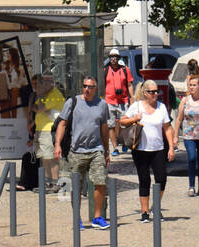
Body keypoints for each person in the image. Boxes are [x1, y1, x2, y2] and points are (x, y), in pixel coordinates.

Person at [53, 75, 112, 228]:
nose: (86, 89)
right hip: (76, 150)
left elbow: (104, 128)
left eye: (90, 87)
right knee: (75, 186)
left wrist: (106, 150)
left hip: (96, 150)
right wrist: (57, 145)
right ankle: (77, 218)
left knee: (100, 182)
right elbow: (62, 124)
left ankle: (97, 217)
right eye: (85, 86)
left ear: (95, 89)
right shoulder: (73, 102)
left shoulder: (102, 105)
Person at [121, 79, 176, 222]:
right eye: (151, 92)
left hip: (158, 148)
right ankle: (144, 212)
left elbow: (167, 128)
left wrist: (171, 147)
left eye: (156, 91)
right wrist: (134, 118)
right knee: (144, 180)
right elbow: (122, 121)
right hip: (140, 149)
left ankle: (155, 207)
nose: (155, 94)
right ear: (145, 93)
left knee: (161, 178)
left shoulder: (161, 107)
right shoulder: (137, 106)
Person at [173, 73, 199, 196]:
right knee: (191, 158)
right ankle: (191, 186)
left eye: (194, 85)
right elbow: (178, 119)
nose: (191, 87)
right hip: (189, 135)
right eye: (190, 85)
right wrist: (175, 136)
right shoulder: (185, 101)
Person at [32, 73, 65, 190]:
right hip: (40, 128)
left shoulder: (54, 94)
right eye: (43, 81)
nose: (44, 84)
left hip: (48, 129)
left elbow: (40, 108)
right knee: (44, 158)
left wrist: (42, 106)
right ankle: (48, 182)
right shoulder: (44, 94)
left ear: (52, 82)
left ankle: (55, 182)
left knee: (50, 157)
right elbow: (34, 108)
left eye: (47, 81)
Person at [102, 48, 134, 155]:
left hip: (123, 101)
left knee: (124, 123)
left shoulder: (125, 69)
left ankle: (124, 142)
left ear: (118, 58)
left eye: (116, 57)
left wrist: (132, 97)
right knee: (110, 125)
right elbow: (102, 85)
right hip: (109, 101)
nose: (114, 59)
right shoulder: (105, 70)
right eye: (112, 57)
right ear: (109, 59)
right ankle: (115, 147)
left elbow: (129, 84)